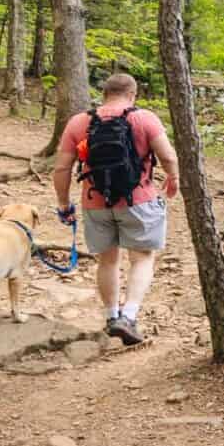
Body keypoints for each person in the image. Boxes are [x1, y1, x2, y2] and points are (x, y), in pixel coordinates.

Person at [52, 72, 180, 346]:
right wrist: (173, 178)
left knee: (108, 261)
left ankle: (111, 316)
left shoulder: (80, 122)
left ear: (104, 93)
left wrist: (64, 203)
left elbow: (62, 167)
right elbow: (168, 155)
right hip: (139, 200)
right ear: (133, 94)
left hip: (94, 202)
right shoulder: (144, 118)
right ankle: (129, 315)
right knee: (143, 257)